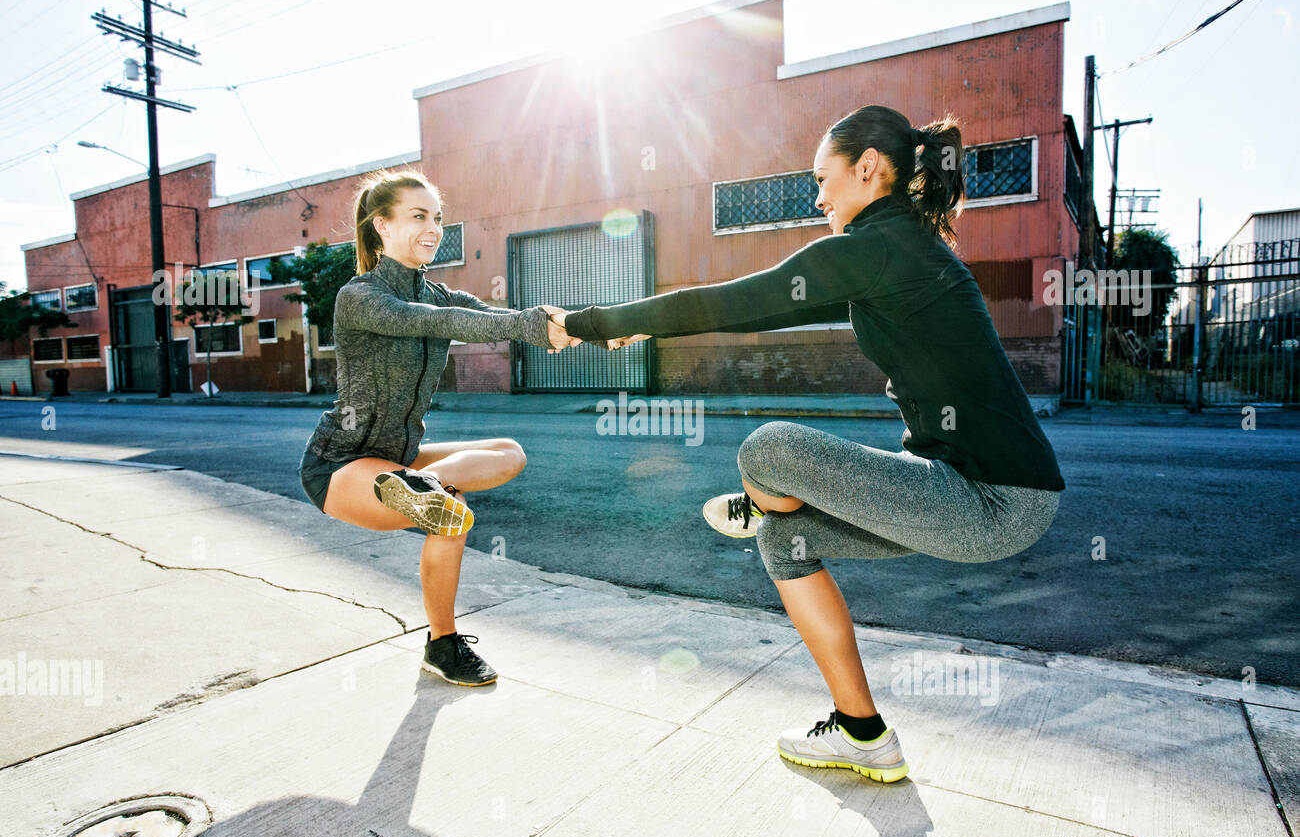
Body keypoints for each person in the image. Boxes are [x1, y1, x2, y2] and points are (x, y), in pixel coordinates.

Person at [559, 105, 1065, 783]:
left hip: (992, 499)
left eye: (824, 178)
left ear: (869, 169)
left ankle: (762, 499)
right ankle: (862, 733)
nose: (819, 196)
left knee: (767, 450)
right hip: (961, 492)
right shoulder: (895, 253)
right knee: (785, 542)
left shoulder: (878, 250)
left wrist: (594, 322)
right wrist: (639, 327)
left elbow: (730, 300)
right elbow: (751, 309)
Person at [300, 168, 579, 687]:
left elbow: (500, 317)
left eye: (438, 218)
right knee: (452, 515)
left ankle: (422, 489)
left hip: (399, 462)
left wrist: (587, 329)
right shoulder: (359, 296)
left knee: (509, 451)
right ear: (381, 225)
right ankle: (445, 643)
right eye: (418, 216)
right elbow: (437, 321)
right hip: (339, 465)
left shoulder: (439, 293)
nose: (434, 228)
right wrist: (533, 322)